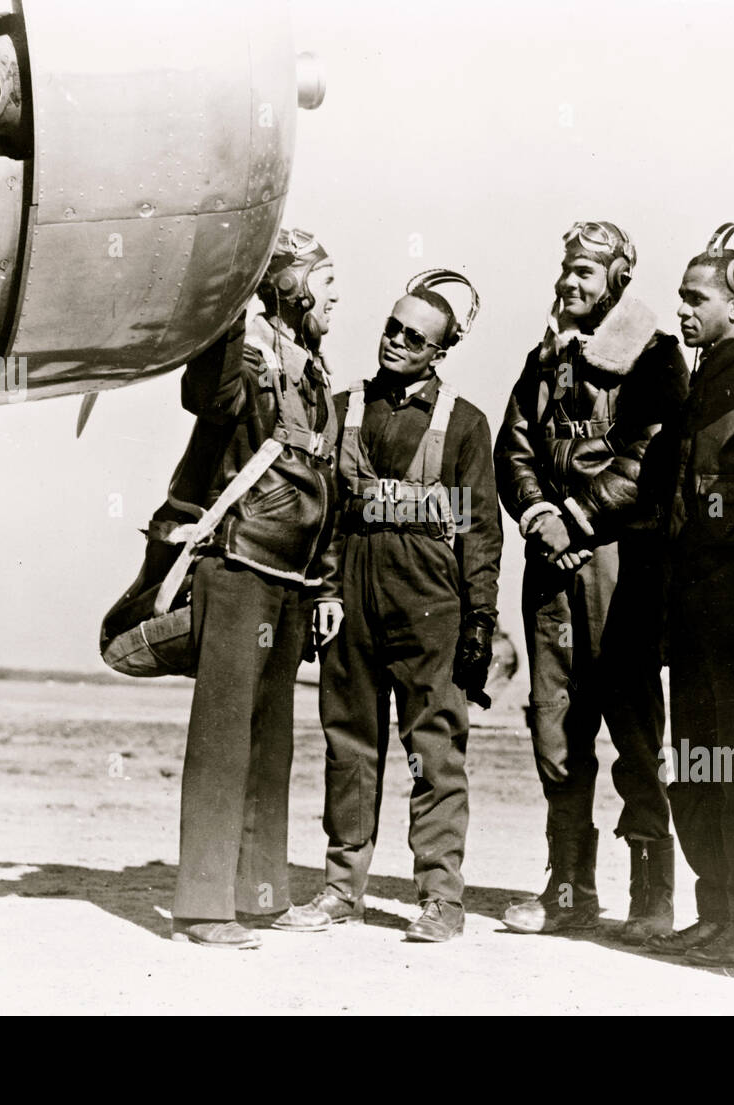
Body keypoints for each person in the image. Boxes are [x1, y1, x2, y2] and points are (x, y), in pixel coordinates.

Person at [274, 273, 502, 943]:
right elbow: (322, 512)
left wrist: (481, 617)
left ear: (440, 350)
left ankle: (440, 898)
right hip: (351, 595)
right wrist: (324, 592)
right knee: (349, 745)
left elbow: (481, 528)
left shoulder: (464, 421)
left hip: (430, 601)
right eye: (392, 328)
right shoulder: (342, 405)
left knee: (435, 751)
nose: (397, 342)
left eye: (415, 337)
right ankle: (342, 889)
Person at [494, 221, 688, 942]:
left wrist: (578, 517)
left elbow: (649, 455)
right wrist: (541, 512)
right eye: (566, 268)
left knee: (634, 726)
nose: (571, 282)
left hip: (621, 565)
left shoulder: (657, 357)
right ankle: (569, 884)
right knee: (555, 722)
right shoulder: (542, 361)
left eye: (586, 271)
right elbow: (514, 446)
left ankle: (651, 894)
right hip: (550, 562)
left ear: (618, 278)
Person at [165, 228, 339, 949]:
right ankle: (204, 908)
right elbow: (204, 395)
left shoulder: (314, 369)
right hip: (238, 564)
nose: (336, 301)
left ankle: (260, 894)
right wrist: (232, 300)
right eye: (328, 287)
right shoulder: (250, 351)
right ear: (293, 287)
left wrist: (325, 581)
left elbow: (324, 482)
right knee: (222, 741)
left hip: (292, 574)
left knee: (271, 744)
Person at [644, 224, 734, 969]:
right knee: (698, 764)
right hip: (694, 615)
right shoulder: (694, 388)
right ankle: (716, 909)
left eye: (696, 297)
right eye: (680, 296)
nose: (683, 310)